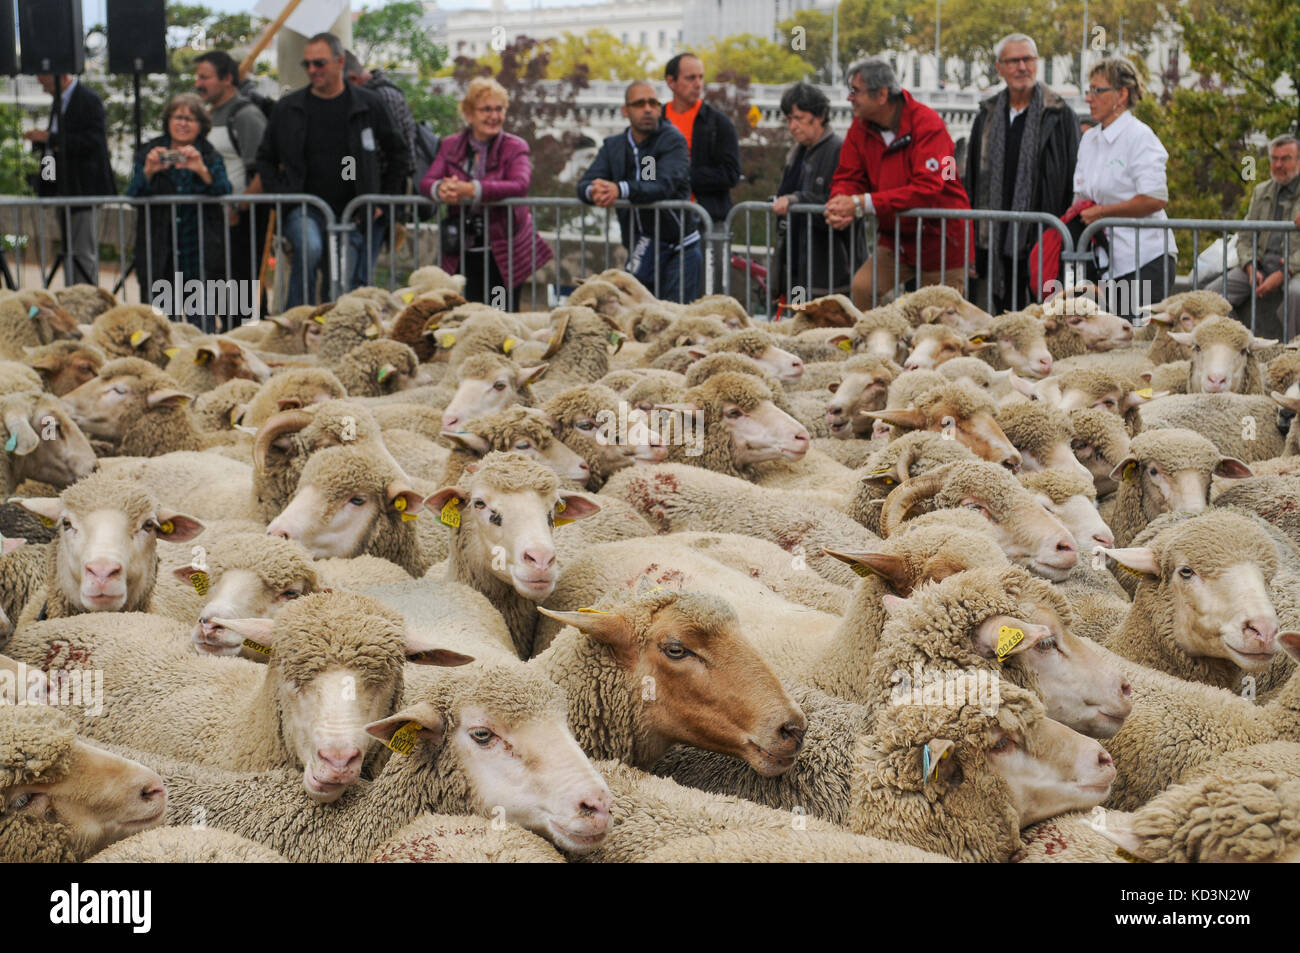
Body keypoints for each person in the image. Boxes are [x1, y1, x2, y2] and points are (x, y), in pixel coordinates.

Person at [254, 32, 410, 307]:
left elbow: (398, 153)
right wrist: (283, 196)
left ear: (340, 62)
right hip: (304, 205)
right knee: (310, 248)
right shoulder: (289, 108)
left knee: (347, 279)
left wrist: (384, 200)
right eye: (308, 64)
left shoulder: (367, 104)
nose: (312, 71)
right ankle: (297, 321)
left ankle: (345, 329)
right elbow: (265, 157)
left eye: (320, 63)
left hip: (356, 208)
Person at [825, 58, 972, 309]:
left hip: (942, 239)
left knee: (939, 315)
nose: (849, 98)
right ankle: (870, 345)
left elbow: (927, 190)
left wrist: (861, 203)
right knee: (863, 288)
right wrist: (839, 202)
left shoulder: (928, 123)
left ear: (881, 94)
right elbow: (849, 176)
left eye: (855, 91)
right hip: (896, 237)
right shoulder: (860, 128)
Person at [965, 33, 1081, 312]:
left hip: (1041, 235)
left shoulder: (1060, 115)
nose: (1021, 67)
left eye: (1027, 59)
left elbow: (1073, 176)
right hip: (993, 236)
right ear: (999, 68)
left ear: (1037, 63)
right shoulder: (987, 115)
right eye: (1013, 61)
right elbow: (971, 177)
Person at [419, 77, 553, 312]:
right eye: (486, 109)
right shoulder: (450, 145)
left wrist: (472, 189)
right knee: (463, 313)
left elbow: (519, 184)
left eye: (499, 109)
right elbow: (426, 181)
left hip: (504, 248)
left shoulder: (515, 146)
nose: (494, 116)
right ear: (469, 114)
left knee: (501, 315)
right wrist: (441, 189)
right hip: (463, 246)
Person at [1072, 56, 1176, 321]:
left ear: (1122, 95)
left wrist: (1103, 213)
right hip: (1104, 264)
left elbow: (1155, 198)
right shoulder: (1089, 140)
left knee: (1134, 343)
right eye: (1089, 90)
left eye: (1098, 90)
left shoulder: (1140, 137)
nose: (1089, 98)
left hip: (1145, 259)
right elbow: (1082, 197)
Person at [578, 80, 698, 303]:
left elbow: (658, 186)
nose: (648, 109)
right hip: (641, 248)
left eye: (654, 103)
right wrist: (595, 192)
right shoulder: (614, 145)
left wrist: (619, 189)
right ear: (625, 110)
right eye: (640, 103)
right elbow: (584, 184)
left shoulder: (671, 140)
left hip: (678, 248)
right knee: (638, 318)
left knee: (676, 322)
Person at [125, 93, 232, 325]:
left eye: (190, 119)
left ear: (201, 126)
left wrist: (201, 170)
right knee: (161, 326)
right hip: (160, 252)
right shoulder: (149, 151)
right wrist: (149, 171)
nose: (183, 123)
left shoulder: (209, 154)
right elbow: (132, 194)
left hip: (198, 253)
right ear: (168, 121)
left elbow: (224, 189)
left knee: (200, 324)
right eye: (178, 117)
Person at [22, 74, 116, 286]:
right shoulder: (59, 102)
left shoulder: (88, 99)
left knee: (82, 250)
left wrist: (49, 138)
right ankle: (72, 291)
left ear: (62, 78)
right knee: (69, 250)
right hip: (63, 187)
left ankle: (84, 296)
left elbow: (94, 142)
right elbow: (54, 146)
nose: (44, 90)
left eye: (46, 84)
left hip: (83, 188)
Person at [1204, 135, 1300, 340]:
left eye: (1286, 159)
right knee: (1210, 296)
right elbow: (1245, 236)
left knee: (1296, 295)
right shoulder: (1261, 191)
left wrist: (1286, 271)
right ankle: (1235, 344)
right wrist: (1249, 265)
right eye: (1274, 159)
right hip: (1260, 264)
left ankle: (1292, 356)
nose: (1278, 164)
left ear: (1298, 161)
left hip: (1294, 268)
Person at [662, 52, 741, 298]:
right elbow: (646, 164)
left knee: (709, 296)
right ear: (671, 82)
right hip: (664, 222)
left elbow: (730, 173)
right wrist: (653, 181)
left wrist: (683, 177)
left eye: (701, 77)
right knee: (664, 295)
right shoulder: (657, 121)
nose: (698, 84)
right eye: (690, 78)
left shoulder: (718, 123)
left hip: (708, 221)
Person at [770, 82, 856, 305]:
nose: (793, 125)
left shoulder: (838, 149)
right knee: (798, 323)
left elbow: (838, 202)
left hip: (829, 264)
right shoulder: (796, 152)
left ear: (820, 116)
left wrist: (796, 200)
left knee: (827, 328)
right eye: (789, 119)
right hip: (796, 260)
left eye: (799, 118)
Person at [194, 50, 269, 300]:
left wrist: (239, 207)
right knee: (220, 296)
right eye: (197, 77)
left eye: (205, 77)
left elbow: (264, 168)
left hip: (242, 223)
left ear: (227, 79)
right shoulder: (206, 115)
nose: (198, 84)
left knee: (242, 297)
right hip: (217, 221)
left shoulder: (246, 116)